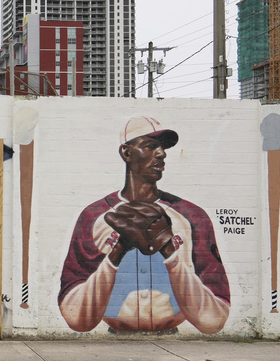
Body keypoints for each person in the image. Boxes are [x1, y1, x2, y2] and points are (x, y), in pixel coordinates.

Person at [59, 116, 230, 334]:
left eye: (163, 147)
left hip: (173, 341)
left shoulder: (192, 216)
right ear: (126, 153)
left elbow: (214, 321)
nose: (161, 153)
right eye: (150, 146)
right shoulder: (93, 216)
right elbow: (77, 319)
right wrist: (118, 251)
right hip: (112, 342)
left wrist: (168, 250)